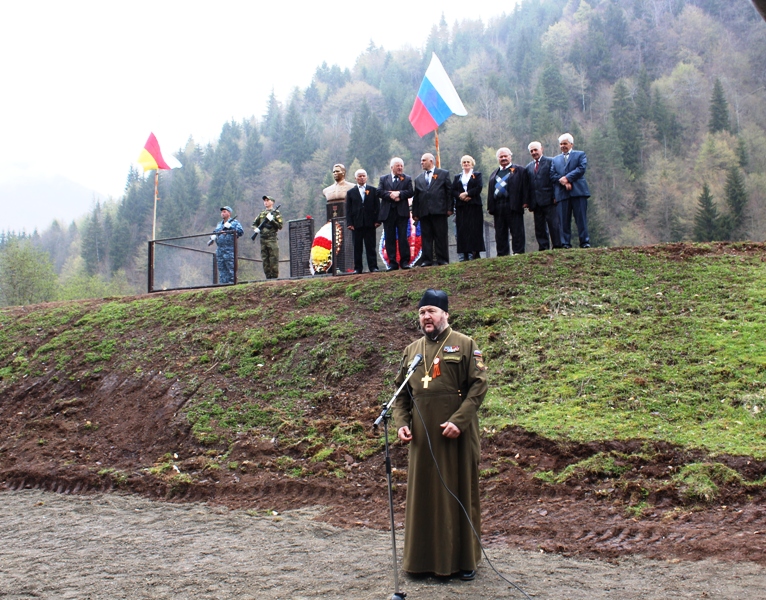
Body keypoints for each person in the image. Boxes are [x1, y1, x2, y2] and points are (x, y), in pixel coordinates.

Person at [393, 288, 488, 580]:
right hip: (423, 438)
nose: (426, 317)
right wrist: (401, 423)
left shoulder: (465, 344)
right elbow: (400, 394)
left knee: (459, 494)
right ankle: (420, 562)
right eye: (422, 313)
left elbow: (479, 387)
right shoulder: (412, 350)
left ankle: (464, 562)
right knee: (423, 498)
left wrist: (459, 421)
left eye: (431, 311)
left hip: (455, 435)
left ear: (445, 314)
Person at [550, 133, 591, 249]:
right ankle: (565, 243)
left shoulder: (580, 155)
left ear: (571, 144)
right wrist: (563, 181)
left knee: (581, 219)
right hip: (562, 194)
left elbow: (581, 169)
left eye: (565, 143)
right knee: (563, 221)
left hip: (578, 192)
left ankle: (584, 242)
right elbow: (552, 175)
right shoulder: (555, 159)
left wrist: (567, 178)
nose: (563, 146)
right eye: (561, 144)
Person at [412, 153, 453, 266]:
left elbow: (449, 192)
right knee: (426, 237)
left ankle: (442, 259)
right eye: (421, 160)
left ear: (431, 161)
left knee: (441, 236)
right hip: (424, 212)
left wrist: (450, 208)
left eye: (424, 160)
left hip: (439, 211)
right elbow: (416, 197)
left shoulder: (443, 174)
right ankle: (427, 260)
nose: (422, 162)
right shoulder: (418, 178)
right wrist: (415, 213)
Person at [486, 147, 529, 255]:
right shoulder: (494, 173)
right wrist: (490, 207)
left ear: (510, 156)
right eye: (501, 157)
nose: (504, 158)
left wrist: (525, 201)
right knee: (500, 231)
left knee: (516, 230)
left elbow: (525, 187)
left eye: (506, 156)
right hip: (498, 206)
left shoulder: (520, 170)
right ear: (498, 158)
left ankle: (518, 252)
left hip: (513, 204)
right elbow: (491, 191)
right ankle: (502, 254)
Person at [378, 157, 414, 270]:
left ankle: (404, 262)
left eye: (401, 166)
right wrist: (390, 195)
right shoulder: (384, 179)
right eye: (397, 166)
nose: (400, 168)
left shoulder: (407, 179)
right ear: (392, 167)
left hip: (401, 213)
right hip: (388, 213)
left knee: (403, 237)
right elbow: (379, 192)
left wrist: (399, 194)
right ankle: (392, 263)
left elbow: (410, 192)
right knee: (390, 238)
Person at [525, 142, 562, 251]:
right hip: (536, 202)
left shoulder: (551, 162)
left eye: (535, 150)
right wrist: (528, 201)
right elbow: (528, 186)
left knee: (554, 225)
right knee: (539, 227)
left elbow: (555, 181)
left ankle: (557, 246)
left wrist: (556, 196)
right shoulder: (528, 167)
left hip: (550, 200)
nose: (534, 152)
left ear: (541, 149)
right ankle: (543, 247)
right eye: (531, 151)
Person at [345, 169, 381, 274]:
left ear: (367, 177)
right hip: (356, 224)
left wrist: (378, 220)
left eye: (363, 176)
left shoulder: (373, 190)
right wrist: (350, 223)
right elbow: (348, 210)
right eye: (359, 176)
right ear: (355, 178)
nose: (362, 178)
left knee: (371, 246)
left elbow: (377, 207)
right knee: (357, 247)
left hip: (370, 223)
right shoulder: (351, 193)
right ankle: (357, 268)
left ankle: (373, 267)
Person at [452, 155, 485, 261]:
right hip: (461, 206)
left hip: (474, 205)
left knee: (475, 229)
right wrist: (460, 196)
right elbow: (453, 190)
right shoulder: (458, 177)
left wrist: (467, 193)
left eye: (468, 162)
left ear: (472, 163)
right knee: (463, 230)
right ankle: (465, 253)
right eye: (464, 162)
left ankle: (476, 252)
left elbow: (479, 187)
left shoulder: (477, 175)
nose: (466, 164)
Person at [253, 195, 284, 279]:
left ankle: (274, 277)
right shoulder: (261, 214)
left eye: (267, 200)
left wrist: (272, 220)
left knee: (273, 258)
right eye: (265, 201)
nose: (266, 202)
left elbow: (280, 226)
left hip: (272, 238)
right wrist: (256, 229)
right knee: (265, 259)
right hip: (263, 239)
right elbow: (254, 224)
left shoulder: (276, 213)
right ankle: (268, 277)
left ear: (272, 202)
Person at [211, 205, 244, 284]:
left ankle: (232, 284)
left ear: (229, 213)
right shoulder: (219, 224)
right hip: (220, 249)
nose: (222, 213)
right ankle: (223, 285)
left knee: (231, 268)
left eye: (224, 212)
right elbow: (215, 232)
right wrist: (213, 236)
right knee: (222, 269)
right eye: (222, 212)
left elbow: (240, 232)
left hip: (229, 249)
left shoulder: (234, 223)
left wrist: (230, 227)